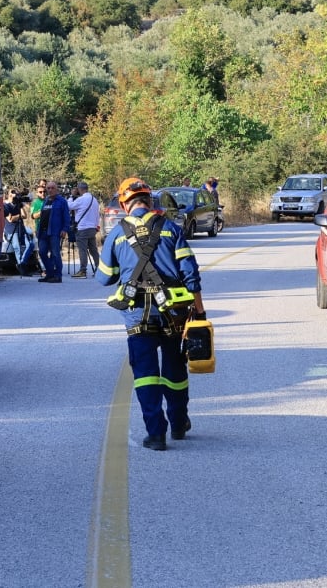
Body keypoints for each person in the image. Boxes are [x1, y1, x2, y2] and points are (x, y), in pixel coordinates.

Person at [96, 177, 204, 451]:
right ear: (150, 200)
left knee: (145, 374)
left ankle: (156, 435)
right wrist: (200, 311)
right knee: (174, 370)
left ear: (123, 203)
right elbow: (190, 274)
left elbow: (105, 278)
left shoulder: (116, 234)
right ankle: (179, 424)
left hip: (136, 317)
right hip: (174, 314)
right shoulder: (170, 228)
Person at [35, 180, 71, 283]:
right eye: (48, 188)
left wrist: (65, 229)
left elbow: (66, 217)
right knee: (42, 253)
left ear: (57, 190)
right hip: (43, 232)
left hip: (55, 232)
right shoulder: (46, 201)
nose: (50, 190)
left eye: (52, 188)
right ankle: (49, 274)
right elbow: (42, 217)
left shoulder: (62, 201)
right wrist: (38, 229)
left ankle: (57, 276)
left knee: (55, 254)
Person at [68, 181, 101, 278]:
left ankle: (83, 271)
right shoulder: (94, 200)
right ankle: (99, 269)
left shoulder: (81, 199)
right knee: (93, 250)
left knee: (82, 249)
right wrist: (96, 227)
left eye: (77, 189)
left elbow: (69, 206)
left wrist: (71, 196)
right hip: (92, 228)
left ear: (80, 189)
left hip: (82, 228)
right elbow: (97, 215)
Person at [3, 188, 36, 276]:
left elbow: (24, 215)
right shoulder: (5, 205)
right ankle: (22, 269)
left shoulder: (18, 204)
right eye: (12, 192)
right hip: (11, 230)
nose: (14, 194)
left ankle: (22, 263)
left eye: (16, 192)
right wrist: (18, 216)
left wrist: (20, 205)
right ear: (8, 194)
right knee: (17, 247)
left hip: (21, 228)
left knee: (31, 244)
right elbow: (10, 219)